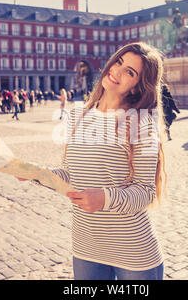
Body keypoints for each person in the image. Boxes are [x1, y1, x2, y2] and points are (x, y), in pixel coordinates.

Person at [17, 42, 167, 280]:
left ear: (138, 87)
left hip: (133, 253)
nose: (117, 71)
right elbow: (72, 174)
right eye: (119, 62)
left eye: (130, 72)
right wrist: (38, 173)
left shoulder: (142, 123)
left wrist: (105, 198)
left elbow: (146, 192)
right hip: (86, 248)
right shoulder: (79, 115)